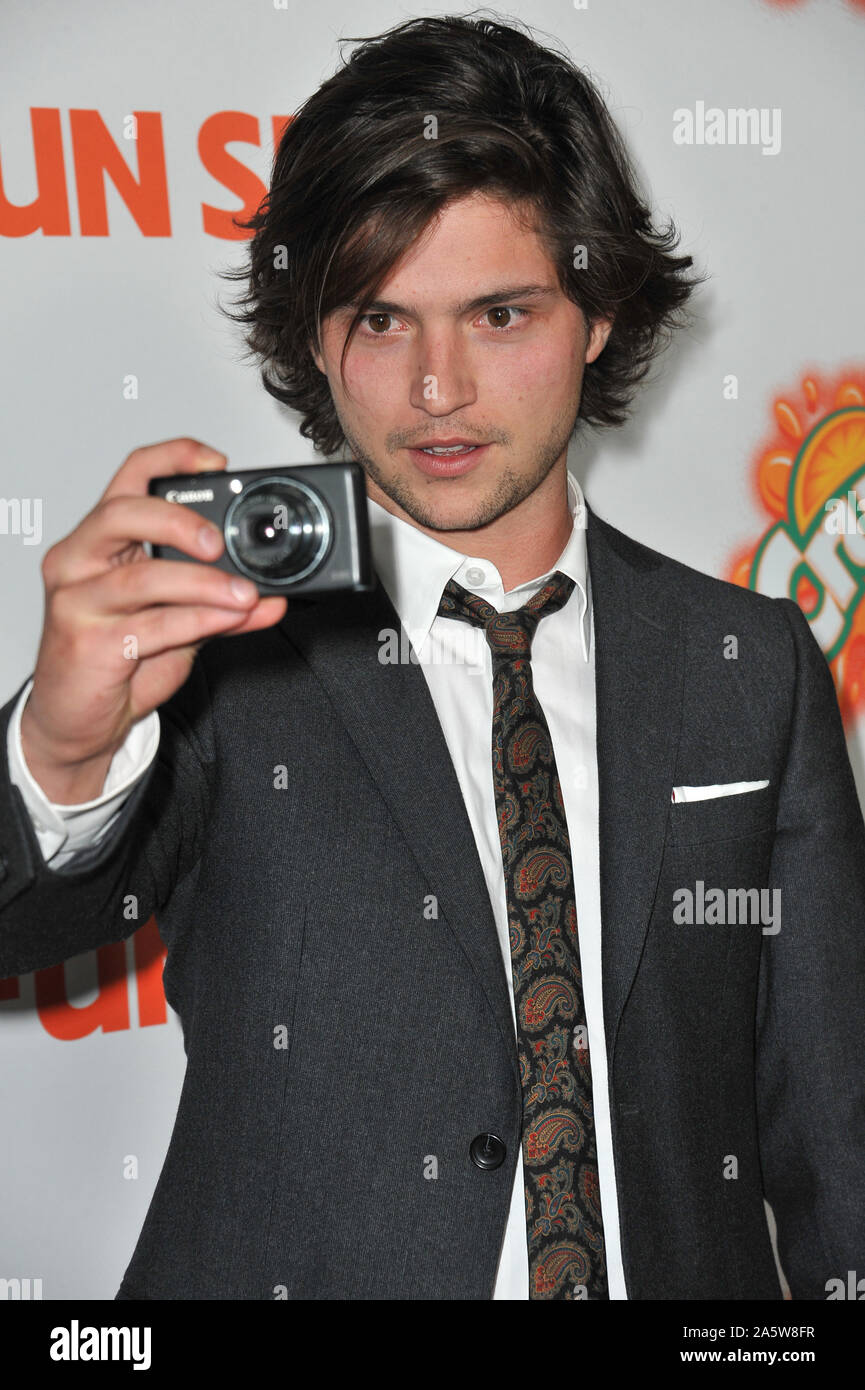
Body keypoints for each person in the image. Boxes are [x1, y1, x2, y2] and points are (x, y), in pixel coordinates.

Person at [2, 13, 864, 1301]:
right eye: (380, 320)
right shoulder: (217, 649)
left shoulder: (747, 661)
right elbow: (31, 926)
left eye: (500, 313)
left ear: (600, 315)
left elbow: (834, 1135)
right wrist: (62, 756)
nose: (436, 390)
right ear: (313, 333)